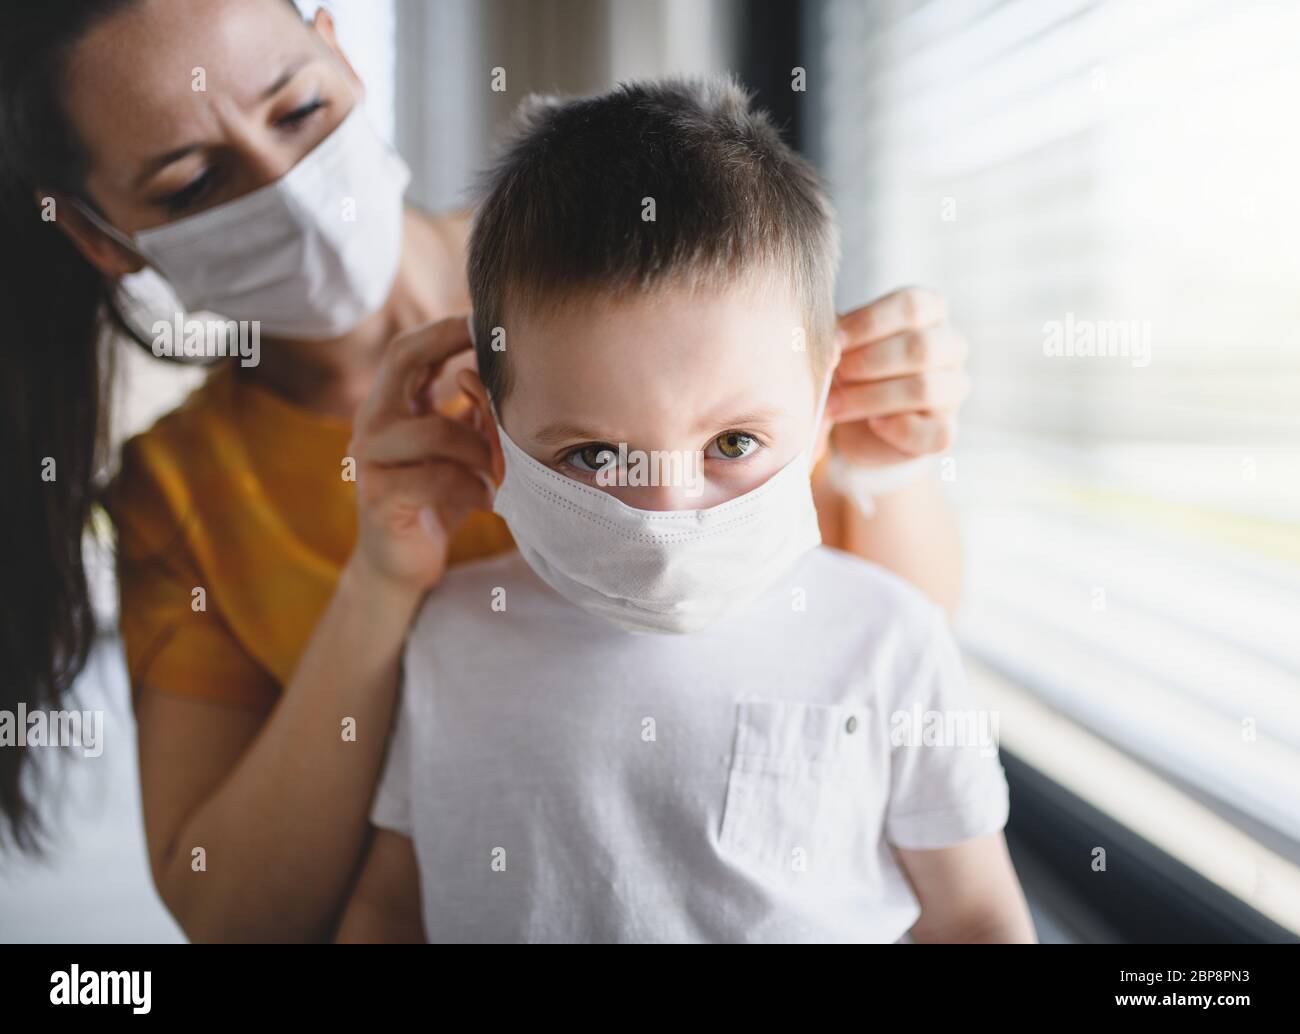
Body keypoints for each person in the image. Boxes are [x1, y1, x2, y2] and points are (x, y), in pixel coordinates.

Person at [1, 0, 970, 941]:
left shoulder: (648, 260)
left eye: (298, 109)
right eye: (190, 183)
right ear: (102, 237)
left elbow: (882, 677)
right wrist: (382, 581)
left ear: (339, 54)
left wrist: (882, 466)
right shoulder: (180, 490)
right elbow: (233, 915)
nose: (286, 184)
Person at [336, 78, 1033, 944]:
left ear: (824, 405)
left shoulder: (889, 639)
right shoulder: (448, 637)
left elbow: (974, 916)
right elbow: (394, 905)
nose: (667, 516)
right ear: (487, 427)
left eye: (733, 444)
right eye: (593, 455)